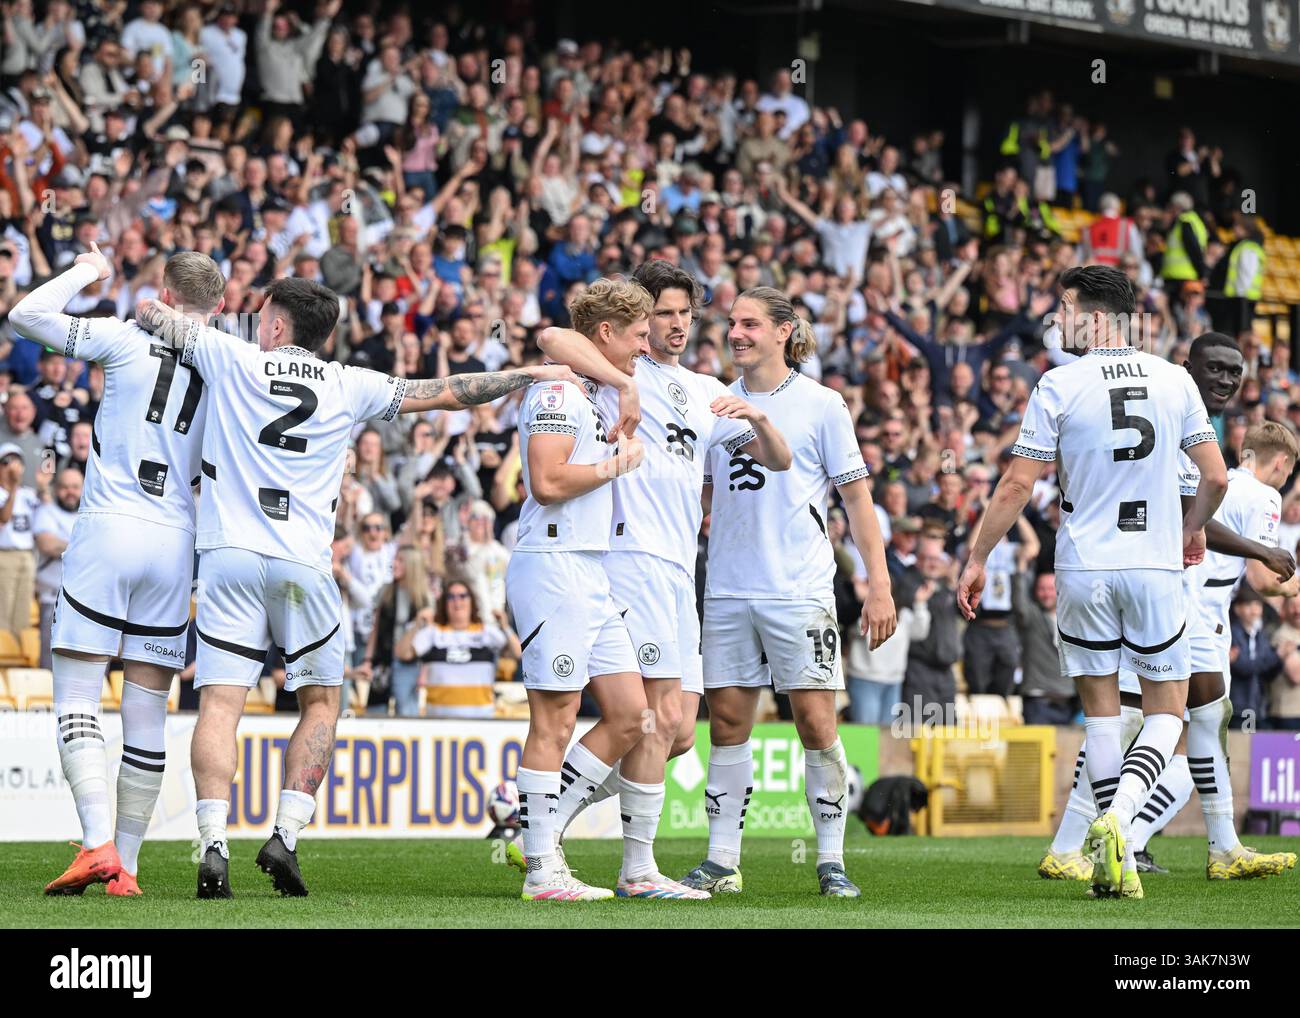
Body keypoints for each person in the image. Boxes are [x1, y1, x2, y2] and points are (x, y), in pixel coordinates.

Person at [134, 276, 574, 899]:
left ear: (279, 327)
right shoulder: (348, 382)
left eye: (264, 318)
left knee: (220, 707)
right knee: (320, 703)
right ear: (328, 335)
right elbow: (446, 393)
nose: (259, 326)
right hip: (305, 567)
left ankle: (212, 846)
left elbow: (152, 314)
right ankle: (285, 835)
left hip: (229, 557)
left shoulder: (228, 355)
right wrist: (525, 374)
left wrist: (168, 303)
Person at [959, 264, 1229, 900]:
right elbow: (1215, 478)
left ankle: (1112, 853)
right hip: (1155, 565)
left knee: (1103, 719)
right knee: (1168, 711)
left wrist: (977, 557)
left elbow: (1018, 485)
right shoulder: (1175, 381)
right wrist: (1192, 530)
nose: (1058, 319)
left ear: (1098, 316)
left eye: (1066, 308)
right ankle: (1123, 821)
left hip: (1083, 565)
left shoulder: (1058, 384)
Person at [522, 260, 791, 898]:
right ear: (637, 322)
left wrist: (757, 420)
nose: (672, 326)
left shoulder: (703, 388)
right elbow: (550, 338)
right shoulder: (616, 365)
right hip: (628, 556)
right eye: (661, 314)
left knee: (671, 731)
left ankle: (538, 825)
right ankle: (631, 866)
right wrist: (627, 383)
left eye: (684, 315)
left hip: (677, 566)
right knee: (651, 716)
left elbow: (776, 462)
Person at [1039, 335, 1299, 881]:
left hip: (1168, 596)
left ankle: (1213, 846)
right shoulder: (1174, 410)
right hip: (1156, 595)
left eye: (1236, 372)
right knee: (1147, 718)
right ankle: (1104, 839)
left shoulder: (1187, 417)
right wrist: (1261, 549)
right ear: (1187, 368)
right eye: (1216, 369)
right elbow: (1193, 507)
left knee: (1199, 716)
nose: (1227, 379)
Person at [9, 248, 223, 898]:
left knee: (75, 693)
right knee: (148, 709)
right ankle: (124, 868)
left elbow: (24, 314)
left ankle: (97, 843)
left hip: (107, 529)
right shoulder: (228, 364)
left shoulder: (121, 337)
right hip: (175, 541)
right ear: (214, 306)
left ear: (162, 289)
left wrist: (86, 271)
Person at [679, 286, 895, 899]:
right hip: (727, 587)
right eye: (731, 323)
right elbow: (703, 493)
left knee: (816, 720)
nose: (737, 333)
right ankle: (722, 859)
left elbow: (856, 497)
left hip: (799, 587)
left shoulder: (822, 404)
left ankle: (831, 860)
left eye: (750, 323)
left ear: (783, 331)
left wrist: (878, 584)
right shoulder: (710, 402)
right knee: (725, 722)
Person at [501, 277, 650, 902]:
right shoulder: (559, 388)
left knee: (631, 715)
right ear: (607, 335)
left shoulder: (591, 391)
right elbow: (546, 481)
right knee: (555, 719)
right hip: (552, 566)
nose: (644, 348)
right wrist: (616, 463)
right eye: (638, 336)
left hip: (591, 569)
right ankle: (541, 869)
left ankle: (541, 827)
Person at [394, 579, 519, 719]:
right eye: (451, 597)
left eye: (462, 596)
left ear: (471, 601)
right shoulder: (433, 633)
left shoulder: (486, 632)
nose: (457, 601)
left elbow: (518, 653)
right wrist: (417, 624)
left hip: (481, 723)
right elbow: (402, 653)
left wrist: (505, 627)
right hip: (439, 726)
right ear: (444, 603)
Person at [33, 466, 82, 669]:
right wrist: (82, 545)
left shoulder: (91, 515)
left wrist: (63, 545)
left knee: (85, 664)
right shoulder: (46, 511)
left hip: (86, 602)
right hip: (53, 599)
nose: (70, 492)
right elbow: (47, 544)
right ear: (56, 488)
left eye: (75, 487)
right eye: (64, 487)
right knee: (50, 664)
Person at [0, 442, 40, 640]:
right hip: (4, 555)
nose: (12, 466)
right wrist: (13, 487)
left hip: (27, 554)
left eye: (16, 461)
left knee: (23, 609)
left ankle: (19, 653)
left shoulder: (29, 494)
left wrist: (45, 488)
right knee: (3, 608)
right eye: (6, 461)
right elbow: (4, 518)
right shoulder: (5, 493)